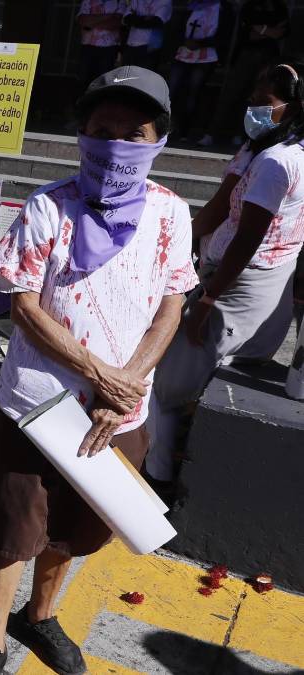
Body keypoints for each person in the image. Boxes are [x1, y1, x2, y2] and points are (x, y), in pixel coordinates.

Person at [0, 66, 195, 674]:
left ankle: (40, 617)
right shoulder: (48, 207)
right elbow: (23, 304)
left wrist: (127, 384)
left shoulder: (170, 214)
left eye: (133, 133)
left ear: (159, 140)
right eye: (102, 129)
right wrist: (95, 368)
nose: (116, 144)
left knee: (75, 526)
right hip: (36, 405)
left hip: (116, 415)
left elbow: (172, 304)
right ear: (82, 136)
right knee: (16, 526)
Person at [147, 61, 304, 483]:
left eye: (264, 101)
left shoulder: (278, 162)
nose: (252, 107)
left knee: (169, 385)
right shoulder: (260, 150)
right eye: (252, 98)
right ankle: (167, 464)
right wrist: (180, 252)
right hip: (233, 276)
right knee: (189, 379)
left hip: (238, 287)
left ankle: (159, 479)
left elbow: (249, 237)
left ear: (293, 109)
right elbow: (221, 205)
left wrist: (210, 299)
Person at [200, 0, 288, 148]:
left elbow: (281, 31)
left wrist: (263, 30)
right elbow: (251, 30)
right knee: (230, 93)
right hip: (246, 54)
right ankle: (211, 133)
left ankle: (242, 134)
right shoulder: (251, 5)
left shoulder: (279, 7)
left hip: (269, 56)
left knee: (256, 96)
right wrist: (269, 31)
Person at [169, 0, 222, 140]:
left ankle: (185, 131)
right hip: (183, 53)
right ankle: (167, 126)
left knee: (194, 93)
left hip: (205, 56)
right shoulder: (191, 5)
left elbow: (224, 34)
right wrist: (183, 41)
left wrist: (200, 43)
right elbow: (178, 28)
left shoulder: (221, 9)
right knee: (172, 89)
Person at [76, 0, 125, 86]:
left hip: (109, 48)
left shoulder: (119, 1)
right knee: (83, 80)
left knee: (103, 82)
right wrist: (109, 16)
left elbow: (116, 23)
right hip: (88, 46)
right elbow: (83, 21)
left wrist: (92, 21)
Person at [122, 0, 173, 69]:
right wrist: (145, 19)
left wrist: (136, 18)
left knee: (144, 78)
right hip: (130, 44)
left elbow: (156, 22)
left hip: (149, 47)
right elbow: (126, 19)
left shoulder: (165, 1)